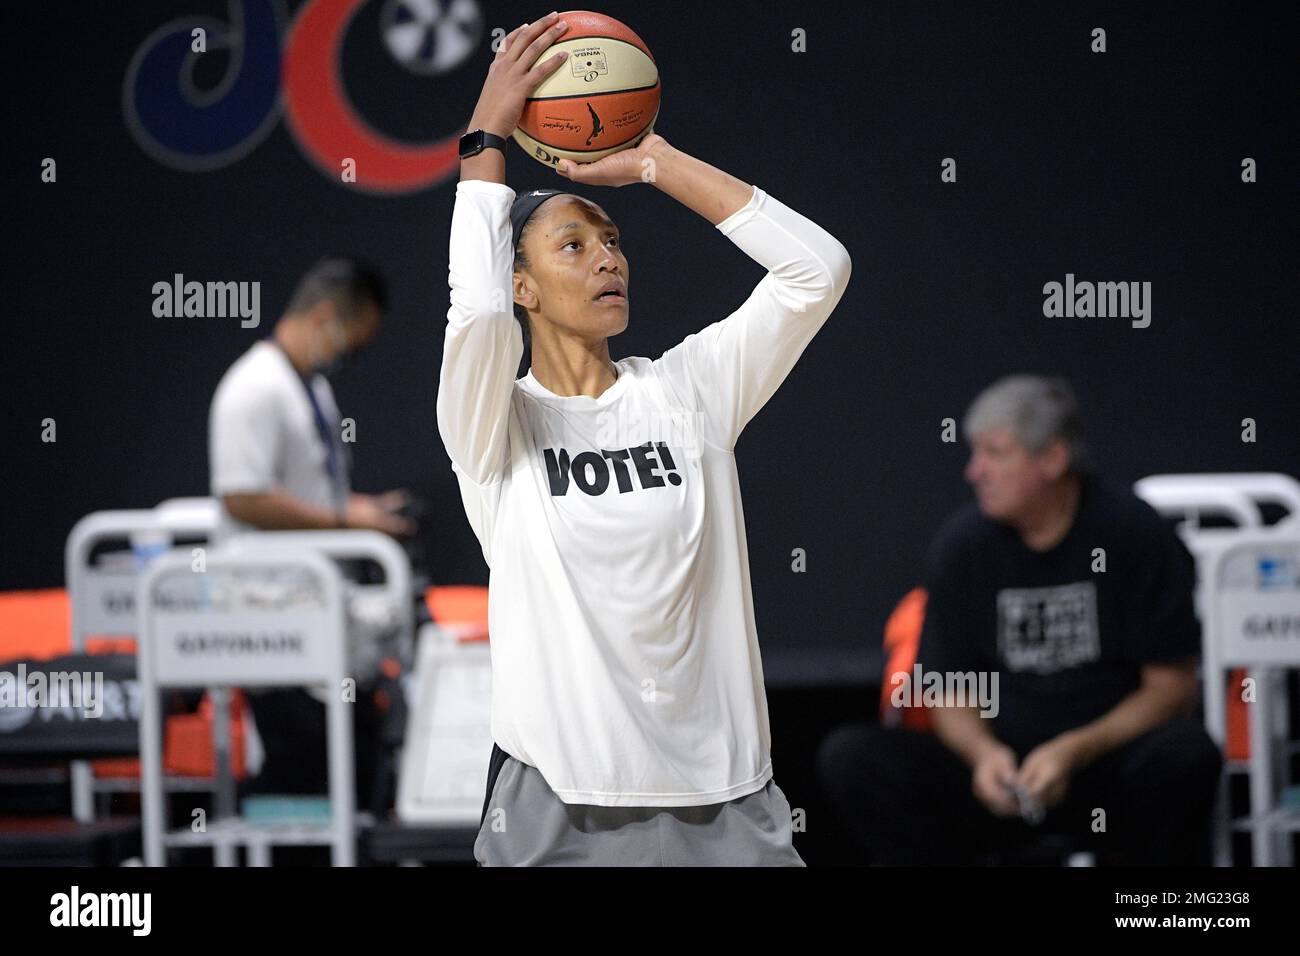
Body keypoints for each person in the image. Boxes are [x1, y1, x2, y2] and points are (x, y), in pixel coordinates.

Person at [441, 13, 852, 865]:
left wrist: (655, 164)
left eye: (613, 240)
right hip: (558, 804)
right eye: (574, 243)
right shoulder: (494, 425)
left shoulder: (687, 390)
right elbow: (476, 315)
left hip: (726, 798)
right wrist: (485, 139)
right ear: (522, 282)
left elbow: (818, 270)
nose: (606, 259)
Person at [816, 375, 1223, 865]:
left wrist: (1073, 751)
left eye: (994, 453)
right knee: (854, 758)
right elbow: (948, 690)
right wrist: (983, 757)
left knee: (1187, 754)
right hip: (1000, 773)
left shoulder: (1134, 535)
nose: (974, 471)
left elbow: (1172, 689)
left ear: (1052, 459)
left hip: (1104, 767)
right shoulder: (963, 547)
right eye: (974, 452)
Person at [208, 257, 414, 810]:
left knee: (350, 777)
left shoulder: (311, 390)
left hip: (320, 619)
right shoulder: (254, 388)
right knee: (301, 780)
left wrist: (360, 509)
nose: (349, 356)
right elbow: (243, 495)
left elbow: (306, 493)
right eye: (352, 342)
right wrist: (347, 521)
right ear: (324, 317)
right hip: (275, 624)